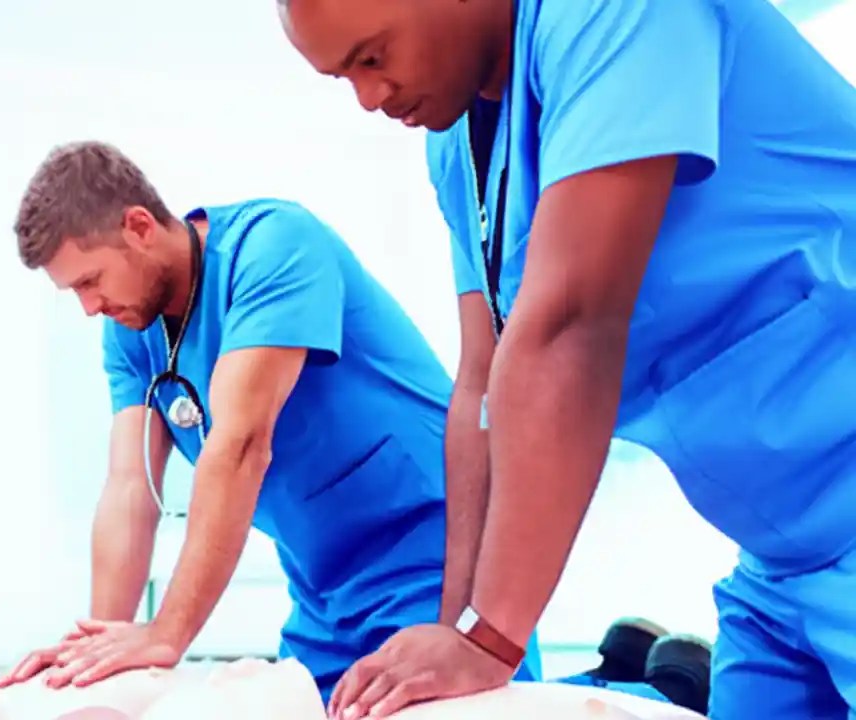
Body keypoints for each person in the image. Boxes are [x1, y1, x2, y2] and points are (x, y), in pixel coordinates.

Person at [277, 0, 856, 718]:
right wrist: (457, 629)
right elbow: (484, 388)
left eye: (373, 56)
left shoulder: (619, 12)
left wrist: (491, 637)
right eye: (344, 78)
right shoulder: (457, 145)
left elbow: (572, 327)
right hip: (777, 565)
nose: (369, 97)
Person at [0, 140, 543, 704]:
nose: (90, 306)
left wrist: (166, 635)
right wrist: (95, 660)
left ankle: (627, 674)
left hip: (434, 568)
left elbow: (240, 444)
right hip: (323, 598)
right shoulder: (133, 332)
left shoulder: (273, 247)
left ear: (138, 226)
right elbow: (130, 488)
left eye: (91, 281)